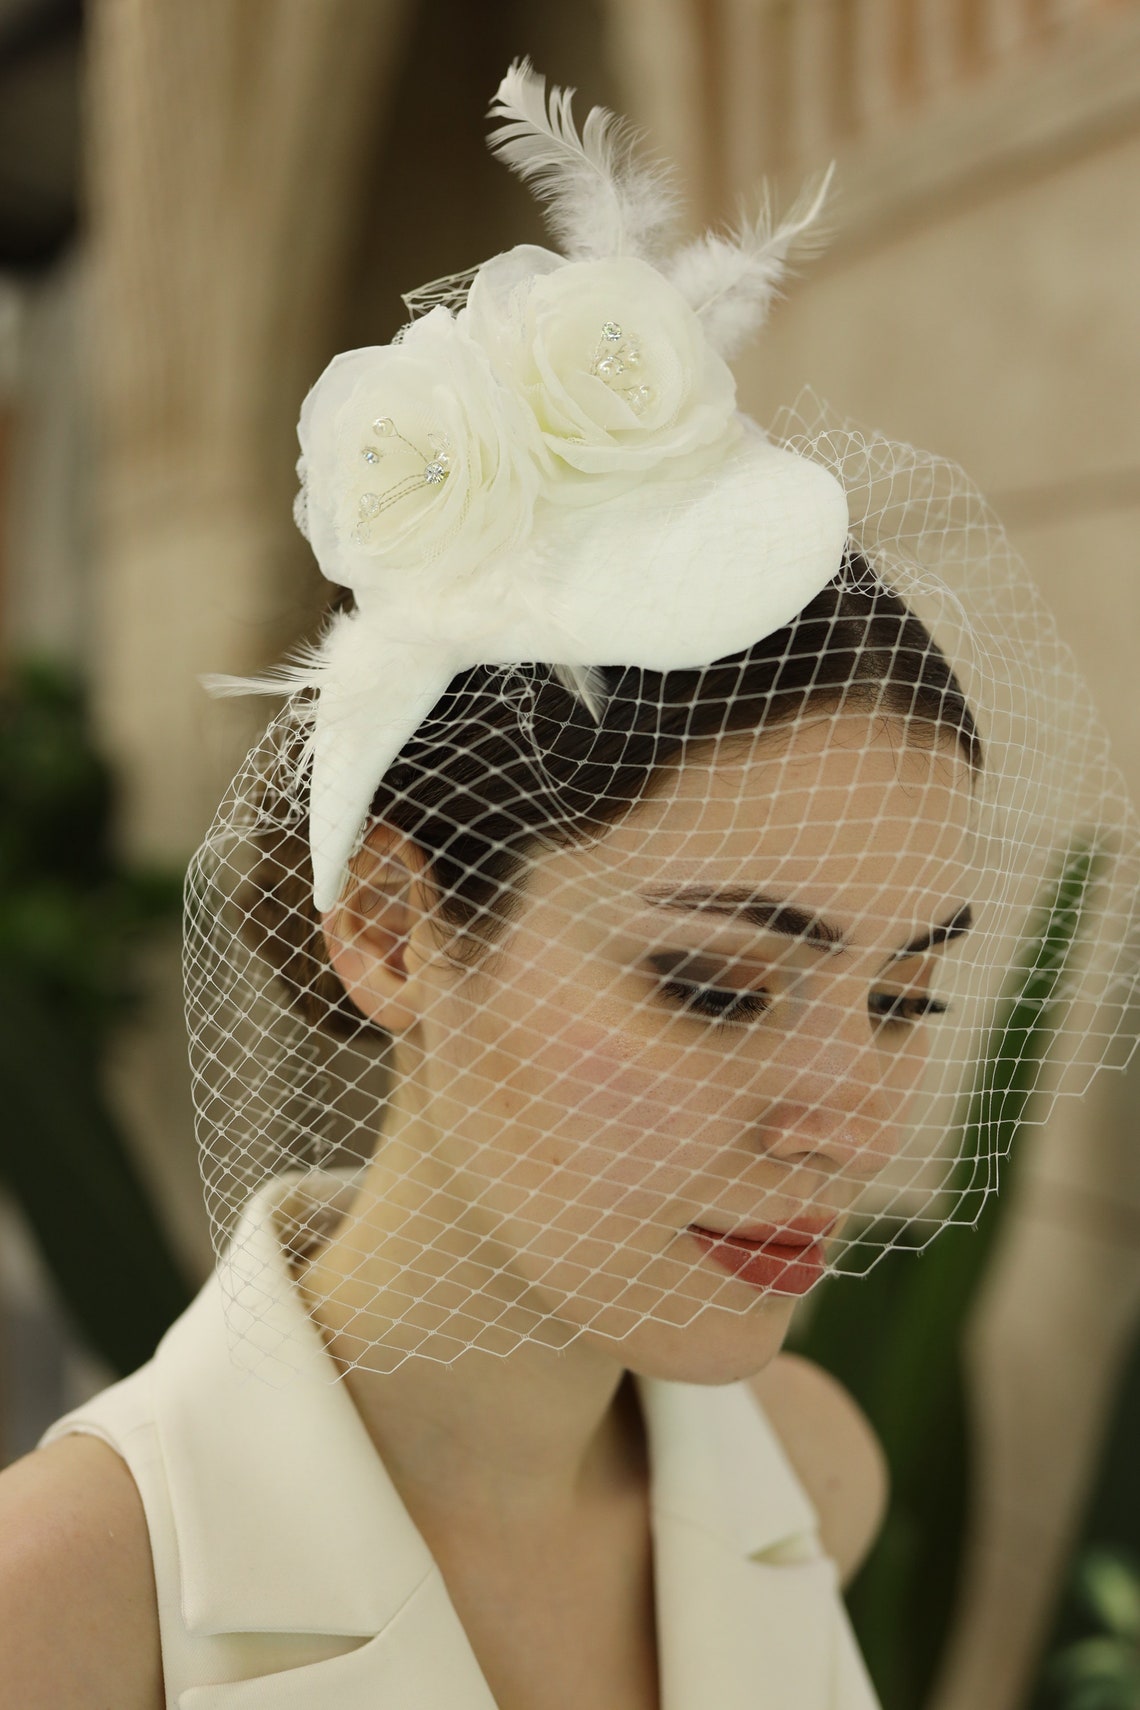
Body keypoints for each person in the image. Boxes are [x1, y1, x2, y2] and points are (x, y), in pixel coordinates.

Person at [1, 61, 1135, 1710]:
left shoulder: (811, 1476)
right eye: (719, 984)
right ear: (392, 929)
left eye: (904, 995)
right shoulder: (74, 1604)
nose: (852, 1120)